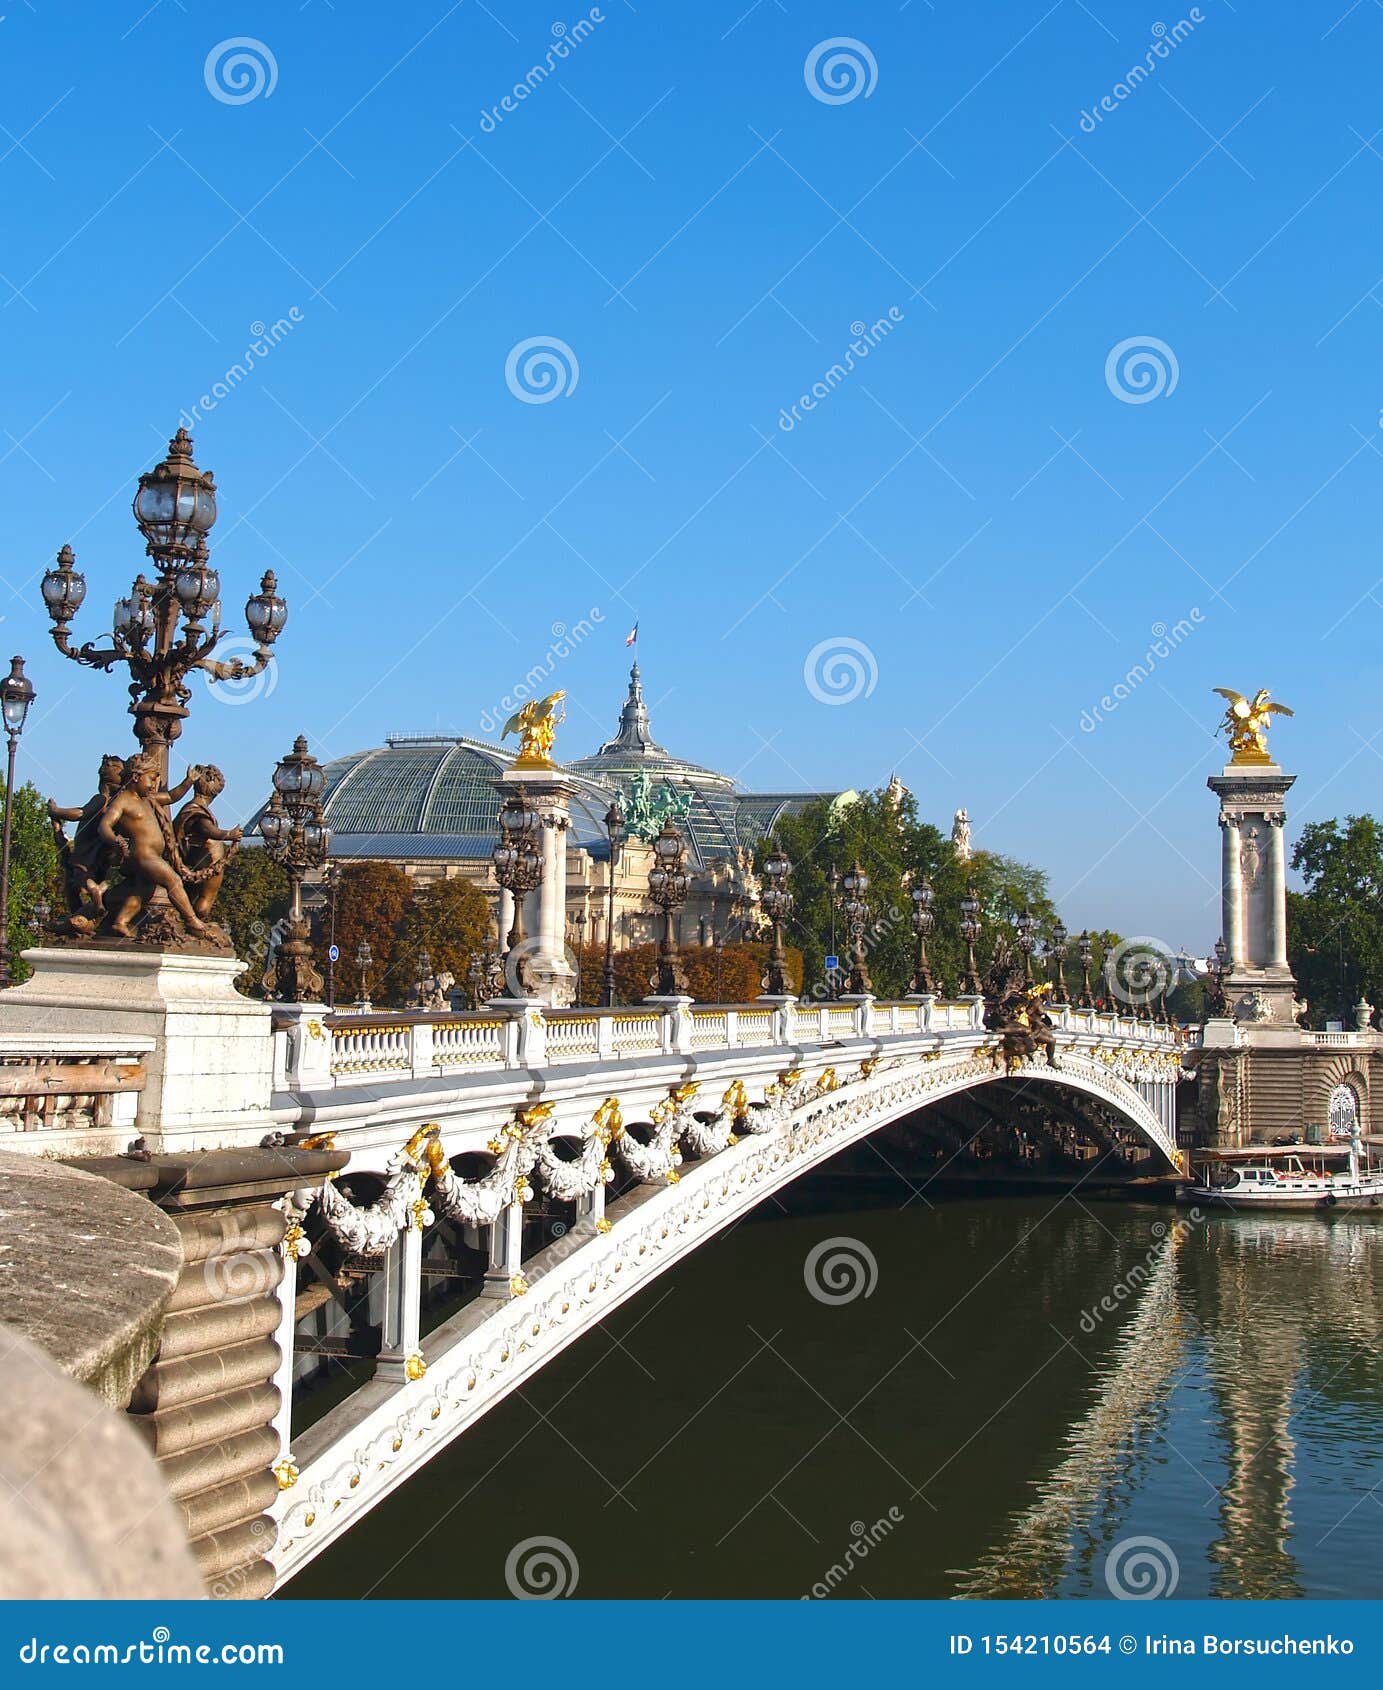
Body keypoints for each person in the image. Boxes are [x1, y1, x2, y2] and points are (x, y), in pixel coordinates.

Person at [96, 754, 210, 940]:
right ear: (136, 777)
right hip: (143, 854)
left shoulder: (146, 799)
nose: (153, 785)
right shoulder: (123, 800)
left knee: (143, 891)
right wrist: (116, 840)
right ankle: (191, 920)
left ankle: (121, 922)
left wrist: (188, 781)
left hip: (149, 855)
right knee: (173, 881)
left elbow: (172, 796)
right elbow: (104, 826)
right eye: (151, 779)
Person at [173, 764, 242, 919]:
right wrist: (229, 834)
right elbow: (207, 829)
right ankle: (197, 923)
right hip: (208, 864)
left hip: (202, 863)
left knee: (197, 900)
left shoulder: (194, 808)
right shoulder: (197, 809)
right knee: (204, 904)